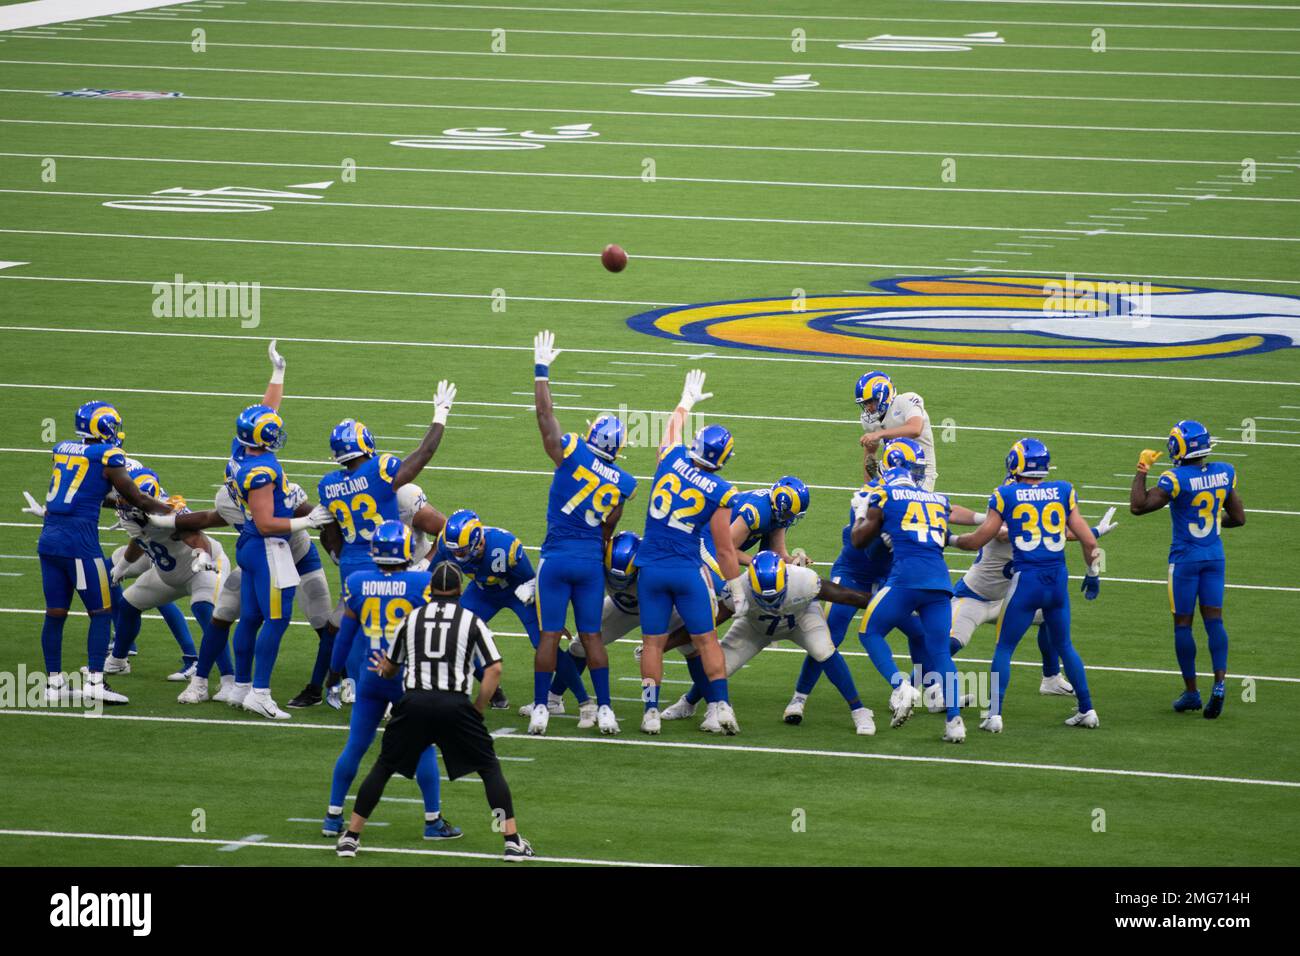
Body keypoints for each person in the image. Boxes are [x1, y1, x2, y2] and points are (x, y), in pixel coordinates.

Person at [337, 561, 533, 862]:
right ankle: (511, 840)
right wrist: (478, 708)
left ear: (431, 591)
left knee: (384, 766)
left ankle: (350, 837)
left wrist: (384, 669)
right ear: (461, 589)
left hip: (414, 701)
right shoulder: (471, 620)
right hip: (454, 703)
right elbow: (494, 669)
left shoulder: (411, 619)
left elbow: (390, 667)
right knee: (489, 768)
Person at [528, 329, 637, 736]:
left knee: (550, 635)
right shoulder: (623, 481)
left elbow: (544, 418)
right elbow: (611, 525)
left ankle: (541, 708)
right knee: (592, 637)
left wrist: (542, 370)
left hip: (556, 558)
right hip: (590, 561)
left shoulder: (571, 450)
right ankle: (605, 709)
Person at [321, 521, 458, 841]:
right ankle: (433, 821)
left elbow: (345, 636)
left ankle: (332, 817)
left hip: (371, 676)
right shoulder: (422, 583)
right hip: (406, 677)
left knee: (355, 746)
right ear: (406, 550)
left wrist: (334, 672)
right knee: (423, 746)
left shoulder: (357, 582)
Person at [953, 438, 1102, 733]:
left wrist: (948, 539)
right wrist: (1093, 573)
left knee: (1004, 647)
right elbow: (1089, 540)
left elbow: (978, 540)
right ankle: (1087, 709)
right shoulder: (1063, 490)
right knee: (1066, 645)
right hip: (1058, 579)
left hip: (1027, 581)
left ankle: (994, 714)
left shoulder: (1005, 494)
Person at [36, 400, 173, 704]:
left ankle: (54, 685)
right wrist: (172, 510)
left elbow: (84, 490)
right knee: (102, 611)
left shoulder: (62, 448)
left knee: (55, 613)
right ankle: (96, 682)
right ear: (106, 427)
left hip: (49, 540)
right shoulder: (108, 455)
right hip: (79, 544)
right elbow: (137, 497)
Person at [661, 551, 878, 735]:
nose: (771, 603)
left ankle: (859, 710)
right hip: (756, 628)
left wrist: (884, 603)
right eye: (764, 598)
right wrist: (663, 645)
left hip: (801, 619)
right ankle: (688, 702)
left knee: (824, 651)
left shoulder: (804, 580)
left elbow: (847, 596)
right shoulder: (739, 589)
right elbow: (706, 624)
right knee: (719, 665)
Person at [635, 370, 744, 735]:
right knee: (705, 638)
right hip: (684, 569)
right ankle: (722, 706)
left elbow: (669, 434)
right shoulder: (720, 490)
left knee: (652, 641)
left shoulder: (671, 459)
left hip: (650, 566)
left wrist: (685, 401)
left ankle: (650, 712)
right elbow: (726, 548)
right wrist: (736, 588)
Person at [1130, 420, 1245, 719]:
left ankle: (1192, 692)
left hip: (1184, 560)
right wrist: (1214, 525)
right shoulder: (1224, 472)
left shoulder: (1175, 478)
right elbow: (1239, 518)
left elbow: (1138, 506)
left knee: (1183, 624)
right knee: (1214, 621)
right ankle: (1219, 684)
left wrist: (1142, 468)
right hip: (1214, 557)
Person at [854, 370, 937, 489]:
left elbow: (915, 429)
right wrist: (868, 488)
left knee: (912, 506)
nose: (868, 407)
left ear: (884, 396)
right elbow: (870, 455)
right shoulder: (869, 419)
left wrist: (879, 434)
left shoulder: (906, 400)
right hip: (893, 470)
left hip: (920, 471)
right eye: (865, 404)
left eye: (870, 402)